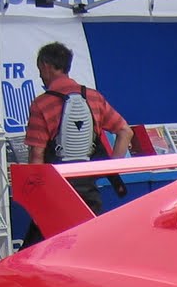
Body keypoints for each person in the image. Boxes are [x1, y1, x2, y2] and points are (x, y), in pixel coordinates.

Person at [24, 41, 132, 216]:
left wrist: (36, 196)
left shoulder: (41, 104)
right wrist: (110, 168)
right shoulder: (94, 97)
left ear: (45, 66)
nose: (40, 75)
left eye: (39, 69)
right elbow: (125, 132)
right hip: (89, 190)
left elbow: (37, 155)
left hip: (56, 191)